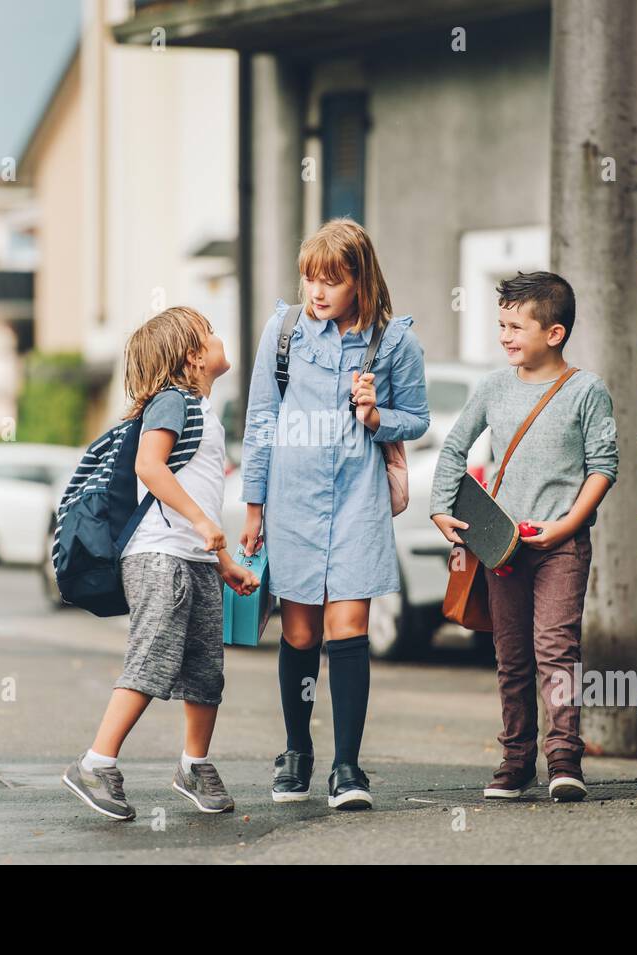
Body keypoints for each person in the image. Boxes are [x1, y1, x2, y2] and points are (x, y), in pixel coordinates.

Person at [241, 218, 430, 810]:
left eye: (332, 280)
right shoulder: (285, 331)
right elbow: (260, 421)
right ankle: (297, 752)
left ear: (360, 280)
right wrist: (253, 507)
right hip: (292, 501)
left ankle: (347, 768)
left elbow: (417, 418)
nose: (317, 292)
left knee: (348, 628)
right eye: (310, 278)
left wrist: (379, 418)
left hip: (356, 501)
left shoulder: (394, 342)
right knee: (300, 631)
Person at [62, 306, 258, 822]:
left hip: (193, 559)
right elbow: (149, 467)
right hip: (158, 557)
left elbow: (195, 494)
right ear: (194, 356)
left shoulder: (200, 408)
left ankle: (194, 765)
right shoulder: (172, 402)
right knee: (152, 659)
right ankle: (95, 761)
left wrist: (223, 561)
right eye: (209, 334)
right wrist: (199, 522)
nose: (219, 339)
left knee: (205, 672)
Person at [429, 271, 617, 802]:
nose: (505, 336)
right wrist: (442, 507)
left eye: (516, 327)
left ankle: (564, 760)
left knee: (556, 648)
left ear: (553, 334)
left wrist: (567, 525)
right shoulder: (492, 386)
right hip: (503, 547)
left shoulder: (587, 390)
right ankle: (516, 761)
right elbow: (453, 450)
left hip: (561, 545)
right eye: (501, 326)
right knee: (511, 655)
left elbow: (604, 467)